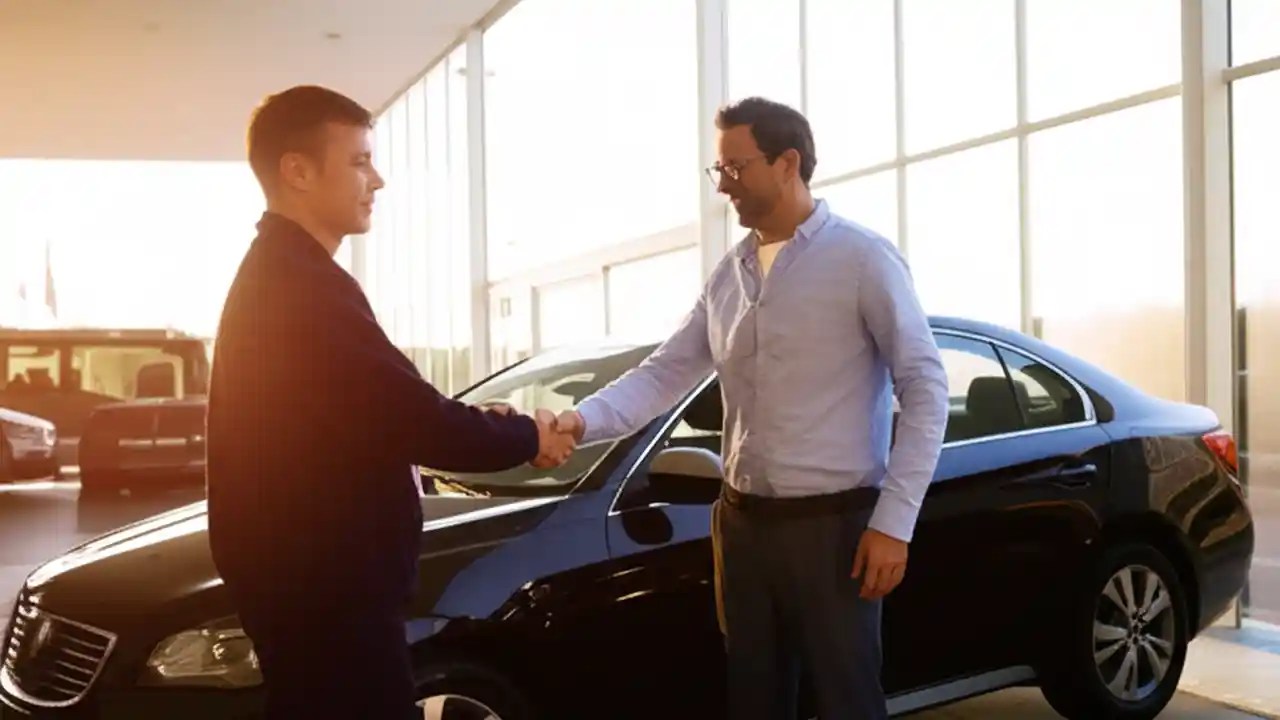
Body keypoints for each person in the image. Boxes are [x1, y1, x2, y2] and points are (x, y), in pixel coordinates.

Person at [554, 97, 949, 719]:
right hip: (741, 528)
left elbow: (925, 388)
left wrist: (894, 522)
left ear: (787, 163)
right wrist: (579, 422)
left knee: (847, 701)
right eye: (720, 170)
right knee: (753, 700)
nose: (724, 186)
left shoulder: (862, 260)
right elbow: (664, 373)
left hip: (834, 530)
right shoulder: (728, 276)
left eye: (736, 168)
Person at [205, 85, 575, 720]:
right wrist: (526, 438)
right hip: (326, 591)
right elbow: (409, 415)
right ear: (297, 171)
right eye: (359, 161)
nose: (376, 180)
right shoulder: (301, 285)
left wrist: (484, 425)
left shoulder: (284, 274)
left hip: (308, 585)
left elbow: (367, 411)